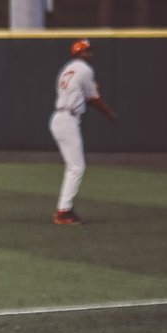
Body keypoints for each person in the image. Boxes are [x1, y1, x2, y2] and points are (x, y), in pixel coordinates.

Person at [49, 39, 116, 225]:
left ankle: (64, 209)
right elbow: (93, 98)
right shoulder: (85, 69)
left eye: (90, 51)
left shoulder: (66, 69)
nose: (90, 54)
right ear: (79, 53)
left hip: (60, 117)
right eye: (86, 51)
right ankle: (63, 211)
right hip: (67, 119)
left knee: (74, 166)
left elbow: (82, 95)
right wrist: (109, 114)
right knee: (76, 167)